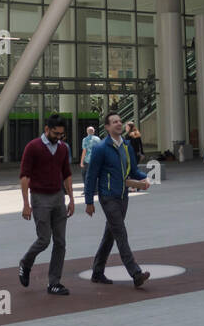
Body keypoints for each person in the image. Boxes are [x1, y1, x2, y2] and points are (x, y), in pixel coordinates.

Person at [84, 110, 151, 288]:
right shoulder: (100, 149)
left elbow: (133, 171)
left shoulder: (127, 147)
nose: (119, 124)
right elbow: (91, 176)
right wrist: (89, 201)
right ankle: (136, 273)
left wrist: (144, 178)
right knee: (120, 233)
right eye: (114, 122)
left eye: (120, 121)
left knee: (110, 235)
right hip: (108, 197)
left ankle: (97, 273)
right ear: (107, 127)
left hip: (123, 196)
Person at [18, 113, 74, 295]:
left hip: (58, 197)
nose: (59, 137)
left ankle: (54, 282)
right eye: (56, 134)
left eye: (61, 135)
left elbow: (67, 174)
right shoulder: (33, 147)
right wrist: (26, 204)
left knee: (61, 242)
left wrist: (72, 199)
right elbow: (25, 176)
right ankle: (26, 262)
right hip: (40, 198)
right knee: (44, 240)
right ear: (47, 129)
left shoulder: (63, 148)